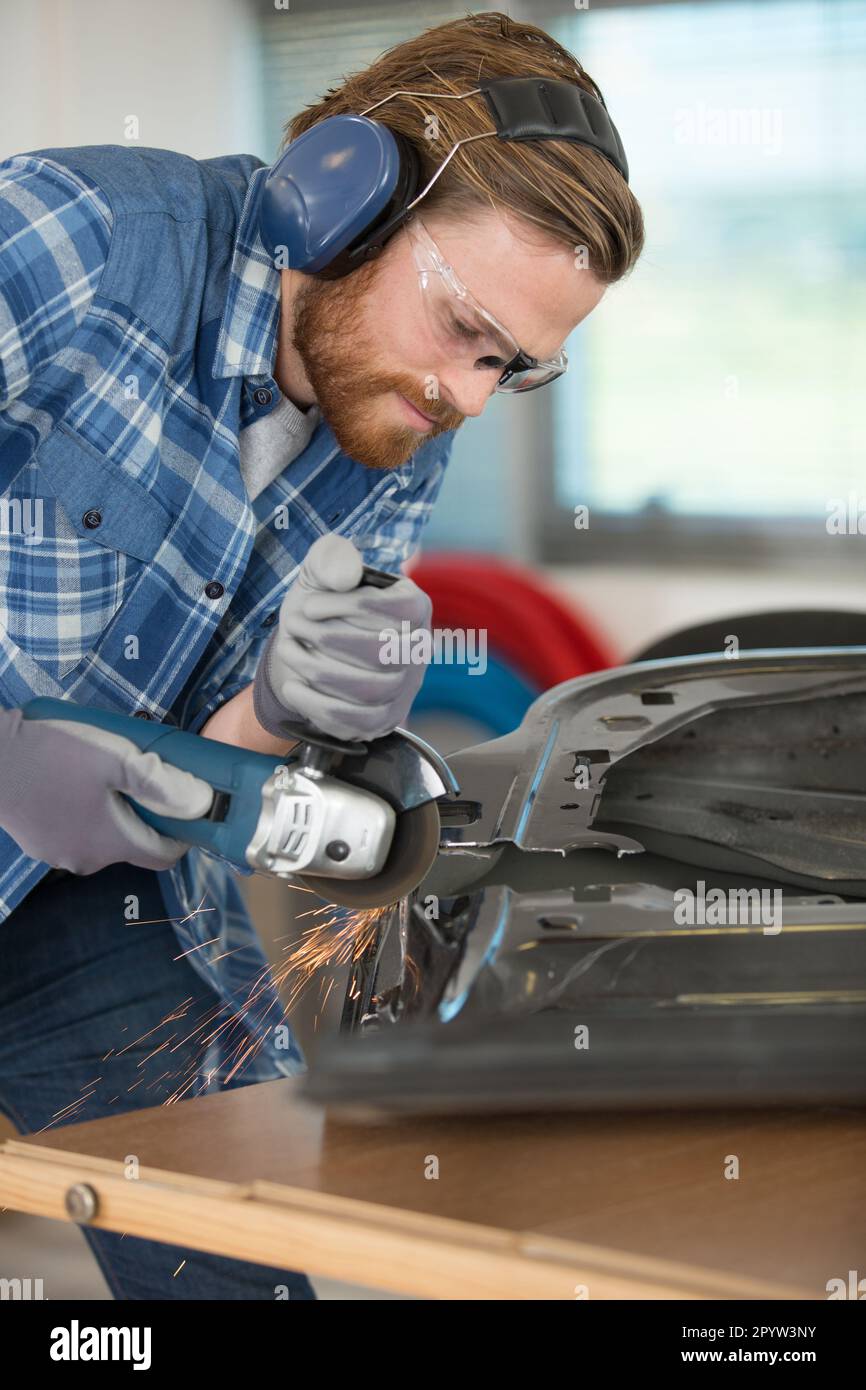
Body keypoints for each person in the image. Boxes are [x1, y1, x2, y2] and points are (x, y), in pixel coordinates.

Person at [0, 11, 644, 1298]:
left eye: (514, 369)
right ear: (337, 196)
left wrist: (278, 714)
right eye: (464, 326)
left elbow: (204, 784)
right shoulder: (80, 239)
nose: (466, 394)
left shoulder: (399, 420)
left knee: (247, 1260)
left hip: (86, 903)